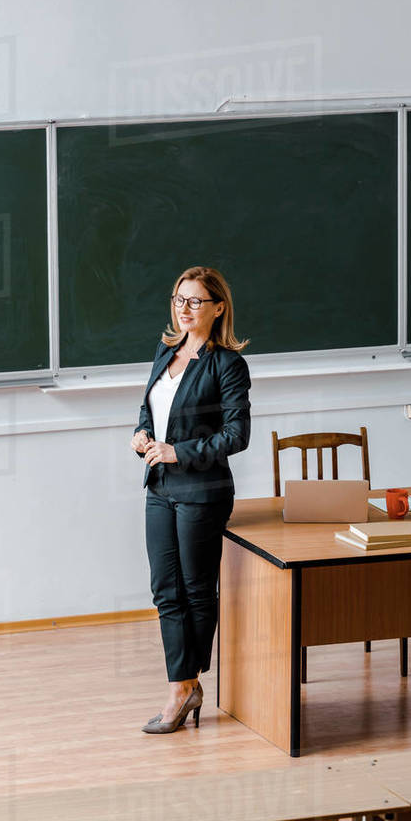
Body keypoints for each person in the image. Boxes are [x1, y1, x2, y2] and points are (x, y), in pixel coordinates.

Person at [131, 265, 251, 733]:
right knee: (165, 590)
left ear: (217, 308)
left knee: (197, 590)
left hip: (202, 492)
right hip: (159, 488)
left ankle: (183, 686)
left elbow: (237, 435)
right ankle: (186, 683)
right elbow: (149, 409)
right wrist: (142, 435)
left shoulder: (227, 364)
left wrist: (176, 452)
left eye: (195, 301)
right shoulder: (166, 352)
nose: (184, 309)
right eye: (179, 299)